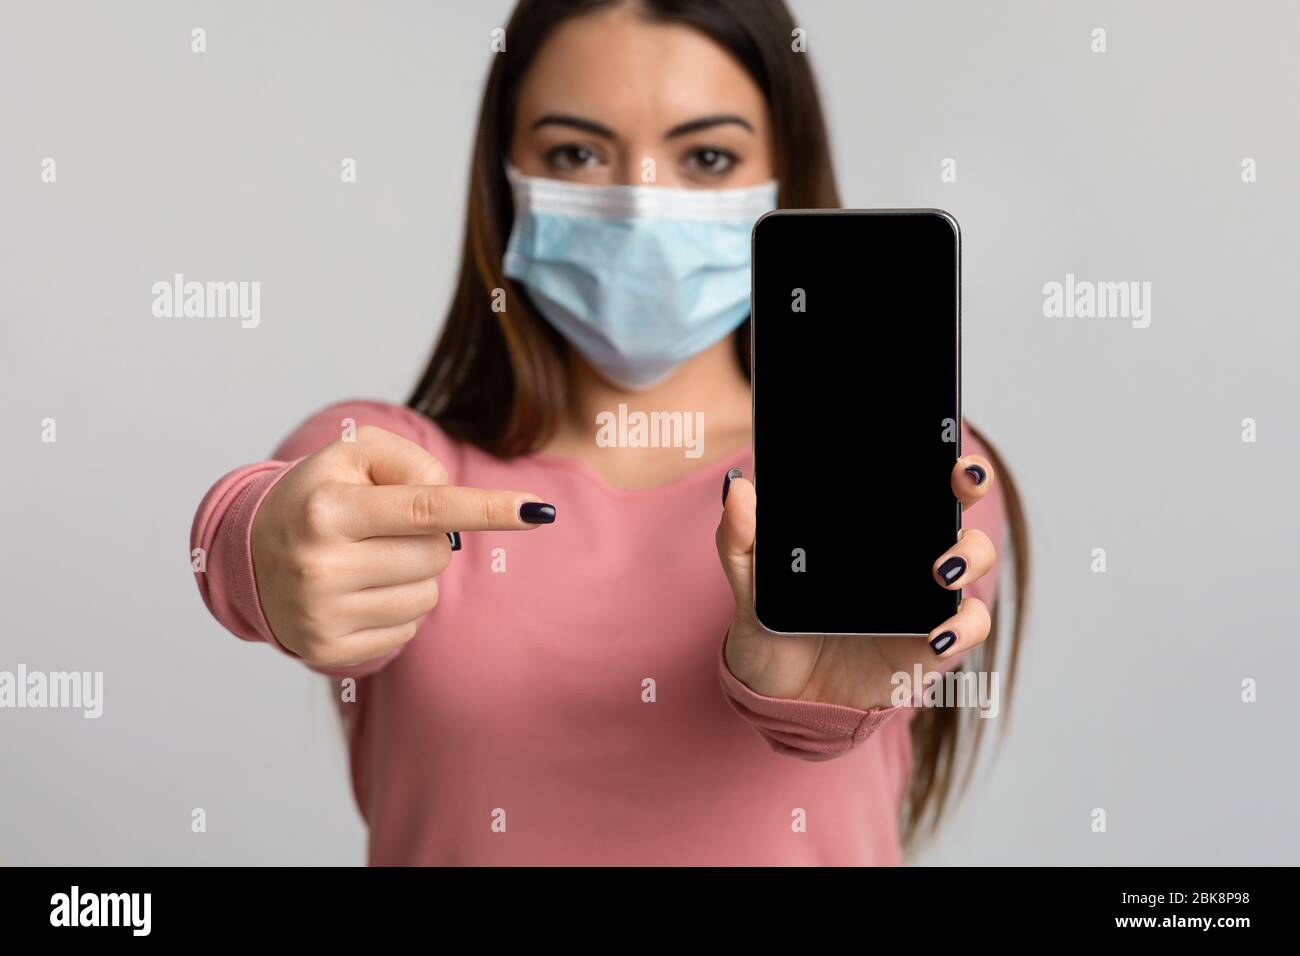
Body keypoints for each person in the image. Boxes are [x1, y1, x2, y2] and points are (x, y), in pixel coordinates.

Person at [191, 0, 1027, 865]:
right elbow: (261, 523)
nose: (640, 202)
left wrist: (814, 702)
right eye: (577, 154)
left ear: (787, 175)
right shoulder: (402, 473)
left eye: (706, 156)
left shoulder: (909, 467)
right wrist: (259, 551)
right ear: (504, 177)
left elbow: (835, 704)